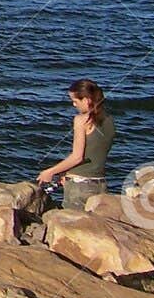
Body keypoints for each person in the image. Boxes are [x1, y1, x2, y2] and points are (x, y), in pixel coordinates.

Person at [37, 79, 115, 210]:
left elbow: (77, 157)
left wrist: (50, 172)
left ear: (86, 100)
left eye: (75, 101)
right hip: (100, 184)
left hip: (79, 186)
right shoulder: (110, 120)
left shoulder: (81, 120)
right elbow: (93, 152)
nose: (74, 105)